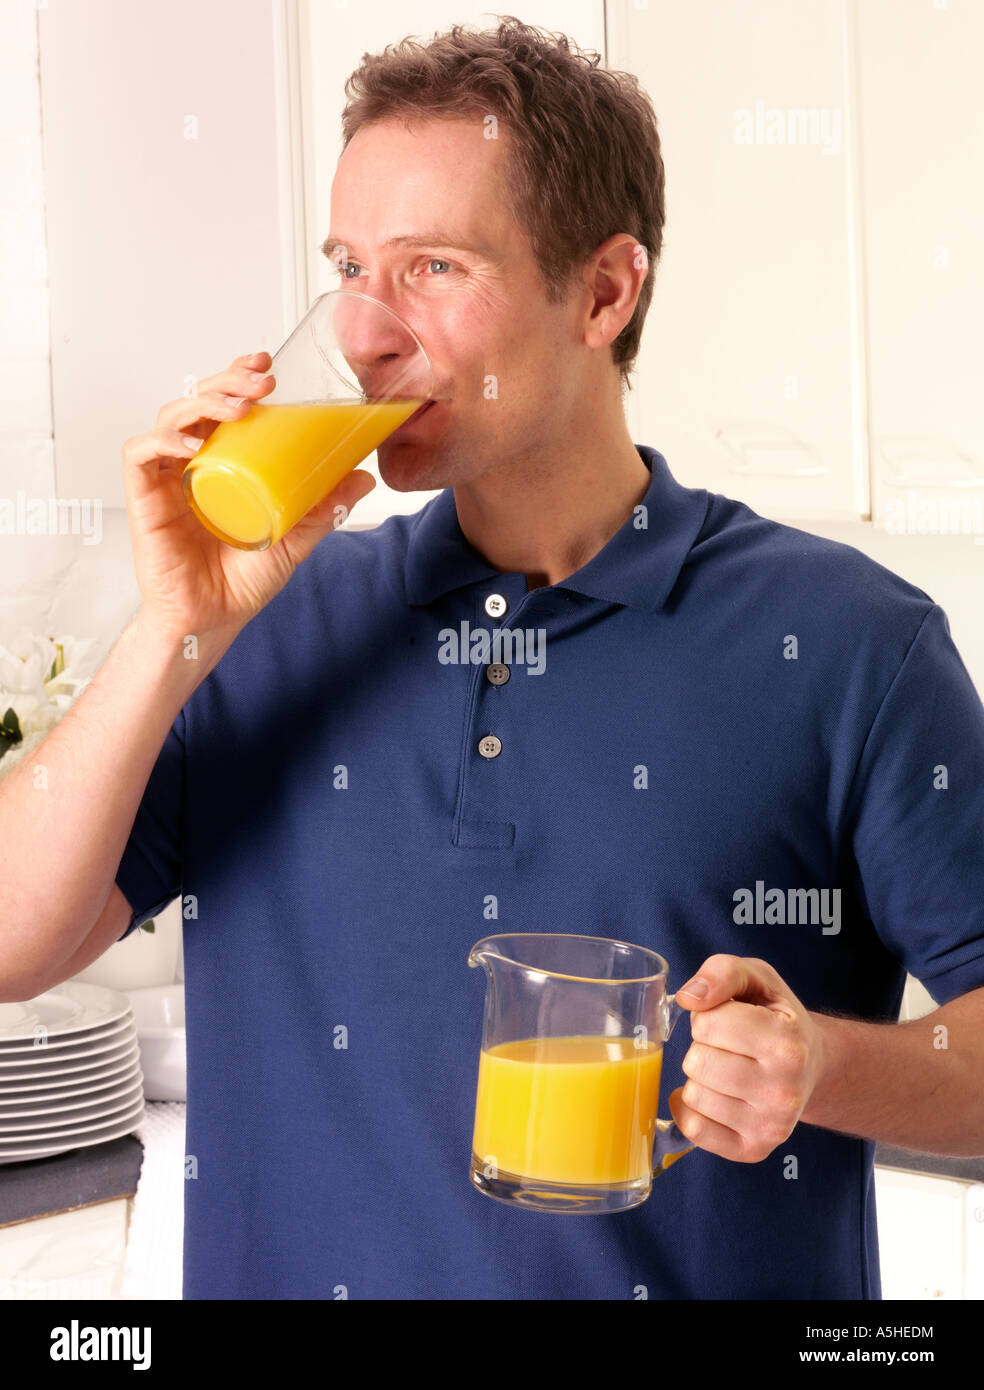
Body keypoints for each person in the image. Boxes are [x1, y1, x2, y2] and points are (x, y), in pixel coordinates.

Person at [2, 16, 983, 1301]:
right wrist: (172, 625)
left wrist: (825, 1066)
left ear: (604, 291)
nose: (363, 334)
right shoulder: (262, 623)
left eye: (434, 269)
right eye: (349, 265)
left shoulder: (855, 643)